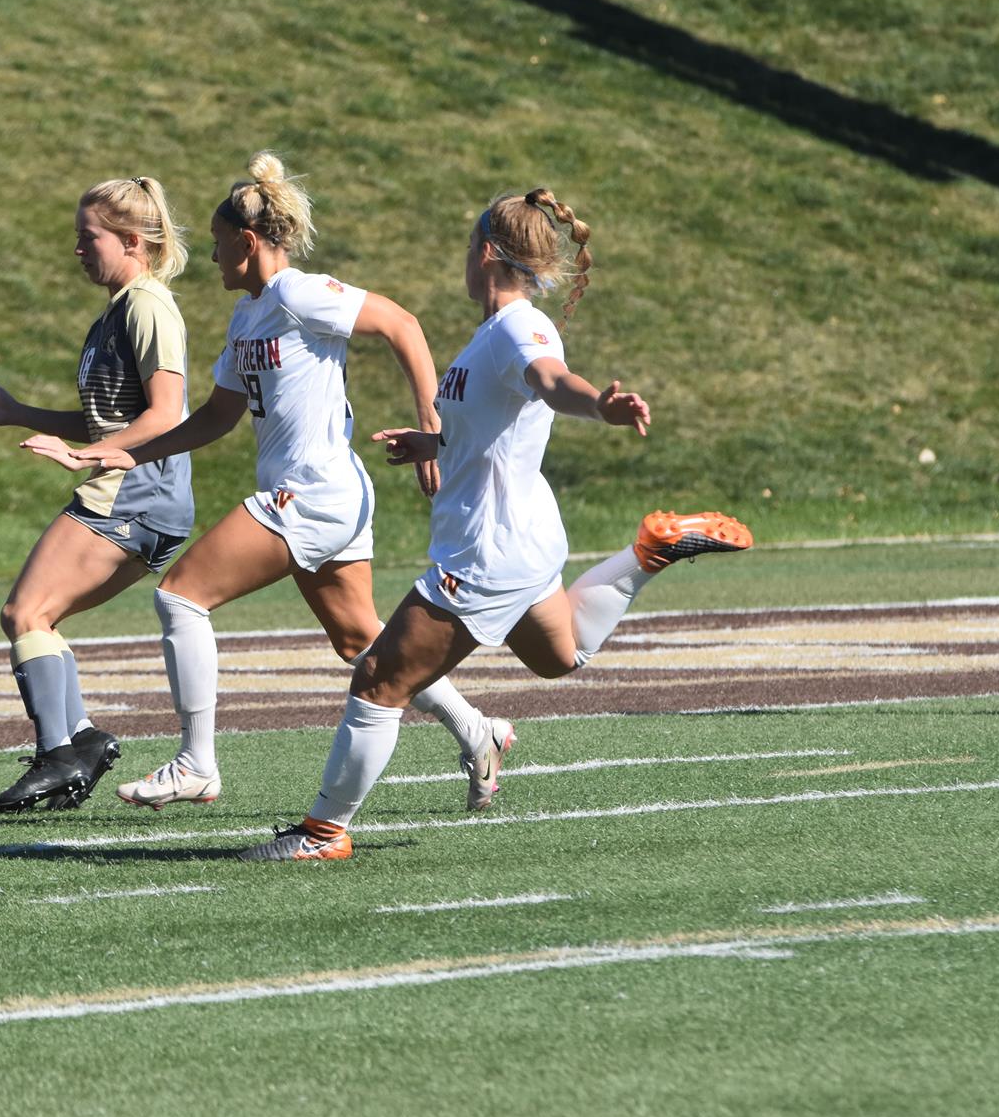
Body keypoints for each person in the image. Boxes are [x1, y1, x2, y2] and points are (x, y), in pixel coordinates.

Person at [238, 188, 753, 862]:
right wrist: (434, 445)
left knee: (378, 681)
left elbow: (549, 378)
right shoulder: (490, 332)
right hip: (522, 536)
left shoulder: (518, 326)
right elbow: (495, 422)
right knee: (558, 655)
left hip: (486, 551)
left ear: (484, 251)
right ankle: (648, 551)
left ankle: (322, 832)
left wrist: (598, 405)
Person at [26, 152, 511, 810]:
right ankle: (476, 729)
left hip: (312, 492)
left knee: (180, 597)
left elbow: (402, 324)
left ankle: (197, 761)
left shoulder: (295, 291)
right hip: (325, 495)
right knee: (357, 638)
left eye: (222, 246)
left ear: (248, 242)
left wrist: (430, 413)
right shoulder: (248, 315)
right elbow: (217, 417)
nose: (214, 259)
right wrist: (126, 453)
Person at [0, 176, 196, 811]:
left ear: (130, 240)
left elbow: (166, 416)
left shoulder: (147, 305)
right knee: (39, 619)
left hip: (134, 494)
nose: (78, 250)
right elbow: (109, 418)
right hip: (134, 492)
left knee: (23, 614)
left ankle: (62, 753)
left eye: (87, 237)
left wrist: (82, 455)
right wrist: (22, 414)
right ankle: (80, 741)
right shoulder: (119, 309)